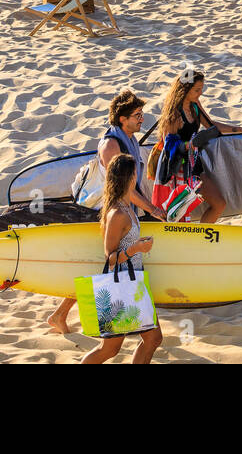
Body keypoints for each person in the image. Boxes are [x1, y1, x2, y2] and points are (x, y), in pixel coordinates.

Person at [50, 91, 163, 336]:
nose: (141, 119)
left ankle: (59, 314)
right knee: (100, 263)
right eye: (137, 115)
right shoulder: (111, 144)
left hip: (122, 211)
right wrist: (151, 209)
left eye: (142, 114)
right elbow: (123, 187)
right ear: (122, 118)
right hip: (103, 212)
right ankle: (61, 315)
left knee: (98, 264)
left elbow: (134, 184)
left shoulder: (129, 138)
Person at [81, 154, 162, 364]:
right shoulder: (117, 213)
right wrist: (136, 248)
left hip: (135, 284)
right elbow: (110, 258)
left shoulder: (128, 208)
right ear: (130, 178)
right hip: (122, 286)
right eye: (135, 173)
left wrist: (137, 245)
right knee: (110, 349)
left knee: (153, 339)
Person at [155, 64, 242, 225]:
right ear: (184, 89)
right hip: (177, 170)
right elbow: (169, 146)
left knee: (219, 204)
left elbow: (211, 126)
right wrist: (190, 145)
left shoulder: (195, 106)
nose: (201, 93)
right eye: (197, 89)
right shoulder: (174, 114)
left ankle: (199, 239)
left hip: (194, 165)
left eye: (201, 89)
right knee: (177, 214)